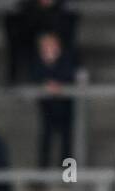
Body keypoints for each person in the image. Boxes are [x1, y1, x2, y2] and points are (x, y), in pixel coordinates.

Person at [30, 32, 75, 169]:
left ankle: (68, 176)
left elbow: (71, 75)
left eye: (51, 44)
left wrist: (59, 84)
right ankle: (42, 174)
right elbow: (34, 76)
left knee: (67, 141)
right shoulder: (37, 61)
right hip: (47, 107)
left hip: (66, 106)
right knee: (46, 140)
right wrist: (46, 84)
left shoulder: (67, 58)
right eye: (46, 45)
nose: (49, 47)